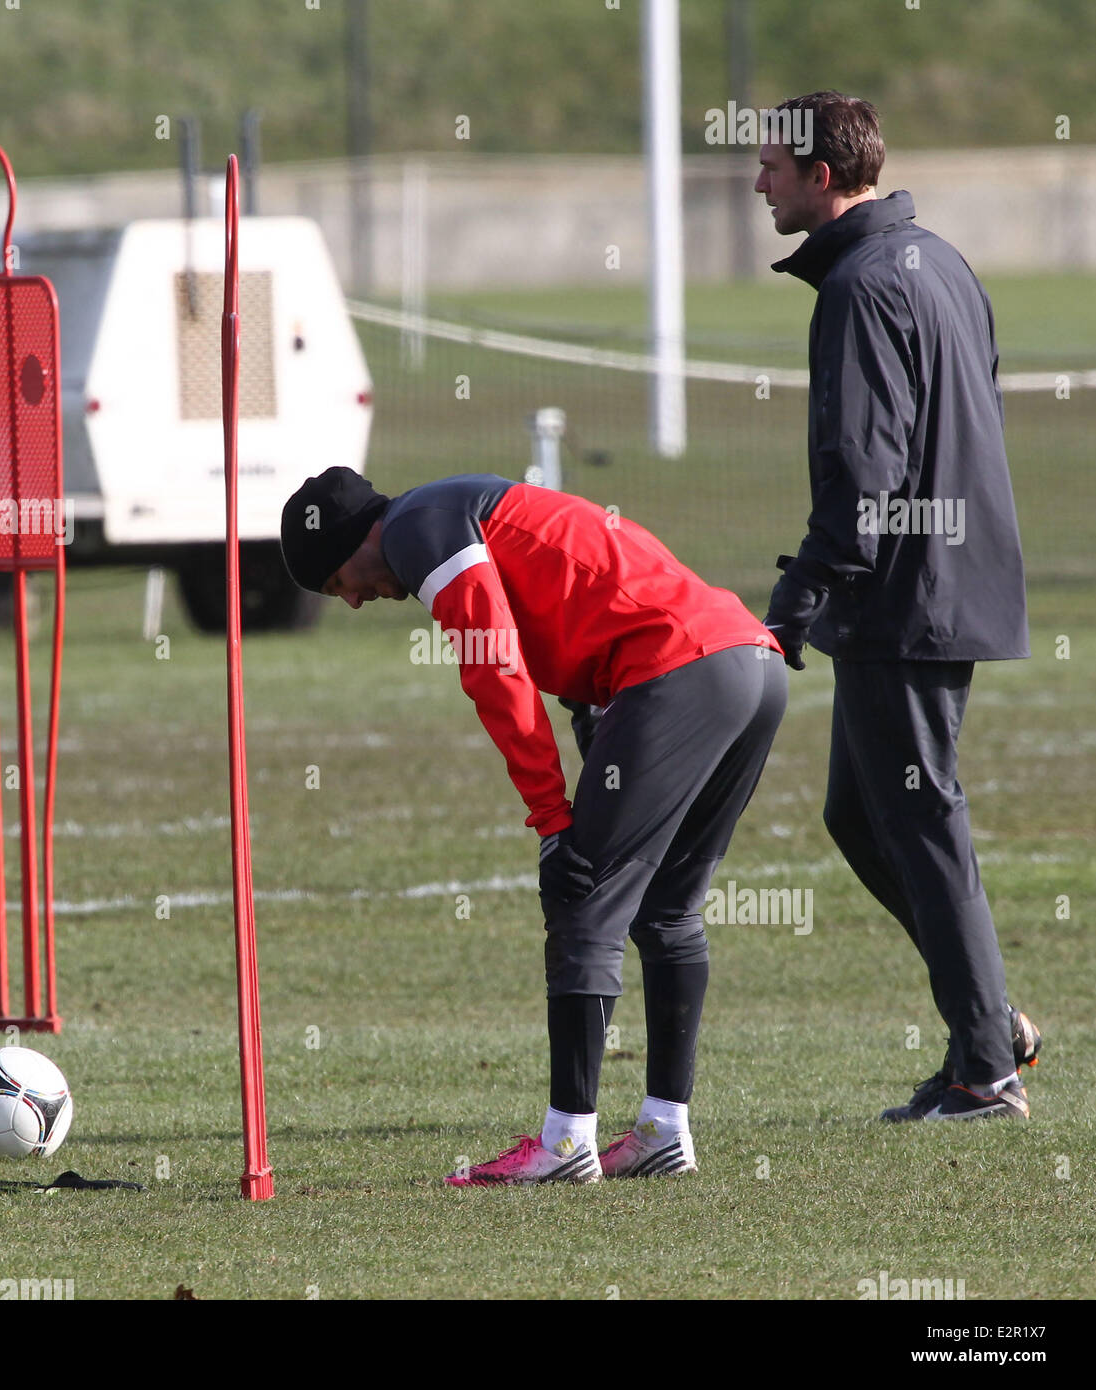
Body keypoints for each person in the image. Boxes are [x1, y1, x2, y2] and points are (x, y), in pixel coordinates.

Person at [280, 468, 787, 1183]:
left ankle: (565, 1144)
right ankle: (661, 1129)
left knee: (582, 901)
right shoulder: (458, 504)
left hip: (678, 666)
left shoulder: (412, 528)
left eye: (338, 582)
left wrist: (552, 819)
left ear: (359, 535)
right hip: (749, 658)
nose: (355, 600)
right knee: (668, 911)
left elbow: (494, 666)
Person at [756, 91, 1041, 1121]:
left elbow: (863, 471)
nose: (757, 184)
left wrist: (793, 601)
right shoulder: (940, 264)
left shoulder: (863, 288)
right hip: (936, 582)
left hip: (907, 596)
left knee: (918, 819)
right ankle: (990, 1017)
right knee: (861, 812)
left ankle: (981, 1068)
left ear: (819, 177)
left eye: (771, 170)